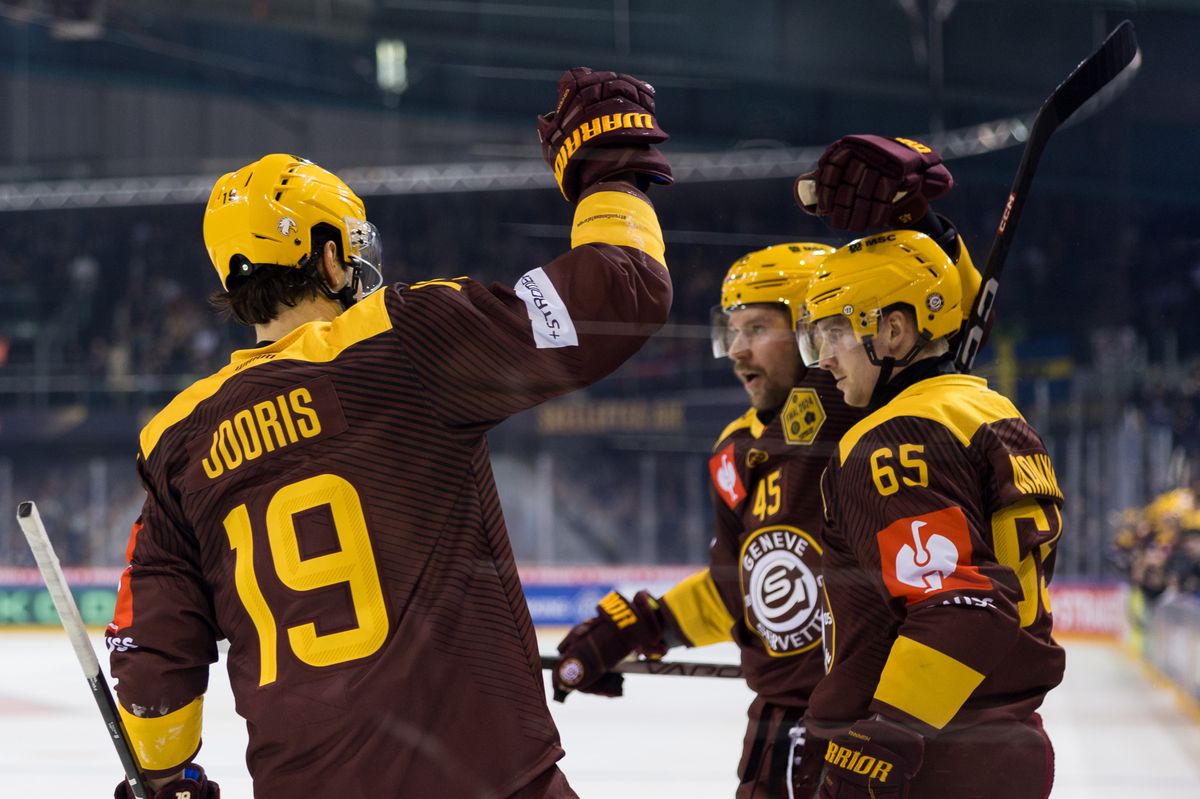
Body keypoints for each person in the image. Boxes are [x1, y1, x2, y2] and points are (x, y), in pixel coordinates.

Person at [104, 66, 673, 799]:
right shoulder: (400, 339)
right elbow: (622, 289)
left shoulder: (176, 440)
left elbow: (153, 657)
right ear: (331, 256)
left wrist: (165, 773)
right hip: (485, 778)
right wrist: (609, 176)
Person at [551, 240, 863, 798]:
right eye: (732, 330)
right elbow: (736, 592)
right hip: (777, 732)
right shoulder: (735, 449)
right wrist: (641, 626)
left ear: (819, 328)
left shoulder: (873, 419)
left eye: (759, 328)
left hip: (873, 728)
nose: (737, 352)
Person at [795, 183, 1065, 795]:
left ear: (894, 332)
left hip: (938, 757)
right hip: (1001, 739)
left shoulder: (895, 436)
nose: (824, 358)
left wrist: (886, 734)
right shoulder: (988, 410)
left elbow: (961, 601)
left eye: (836, 331)